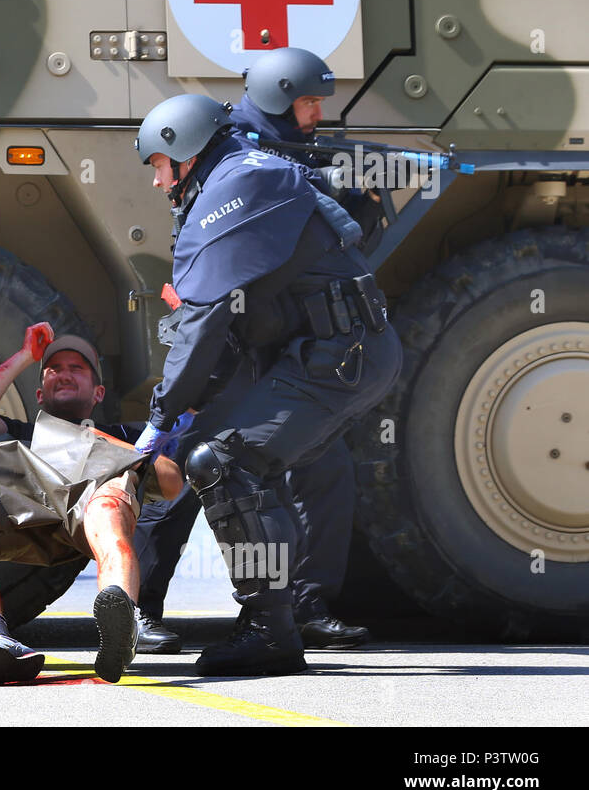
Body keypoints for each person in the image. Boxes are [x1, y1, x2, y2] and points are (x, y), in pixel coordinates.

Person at [132, 93, 402, 676]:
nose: (157, 182)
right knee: (250, 467)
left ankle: (271, 631)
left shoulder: (235, 184)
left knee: (222, 462)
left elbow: (204, 318)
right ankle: (277, 615)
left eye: (158, 164)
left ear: (185, 152)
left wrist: (160, 416)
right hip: (333, 354)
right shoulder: (246, 170)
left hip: (337, 357)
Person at [0, 327, 184, 685]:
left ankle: (121, 620)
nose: (64, 373)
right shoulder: (20, 430)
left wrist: (117, 449)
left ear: (98, 392)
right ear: (40, 393)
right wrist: (24, 357)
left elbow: (173, 483)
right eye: (54, 368)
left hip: (89, 520)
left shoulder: (125, 435)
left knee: (108, 507)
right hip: (24, 520)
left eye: (77, 368)